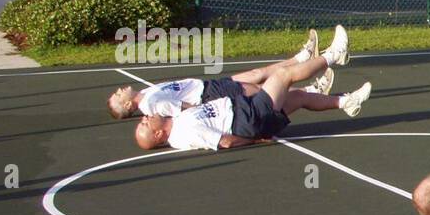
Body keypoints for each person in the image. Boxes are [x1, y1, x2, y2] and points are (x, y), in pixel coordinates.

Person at [133, 51, 371, 152]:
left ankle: (346, 103)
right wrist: (254, 139)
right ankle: (334, 55)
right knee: (282, 76)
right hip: (246, 119)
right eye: (145, 124)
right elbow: (224, 142)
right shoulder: (184, 133)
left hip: (244, 112)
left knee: (297, 97)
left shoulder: (177, 123)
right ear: (157, 135)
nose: (145, 118)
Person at [107, 26, 347, 119]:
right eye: (119, 96)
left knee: (258, 75)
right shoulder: (151, 105)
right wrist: (216, 110)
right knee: (265, 88)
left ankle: (303, 59)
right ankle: (315, 81)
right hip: (209, 97)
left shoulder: (147, 95)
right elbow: (183, 110)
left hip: (207, 88)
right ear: (128, 106)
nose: (119, 90)